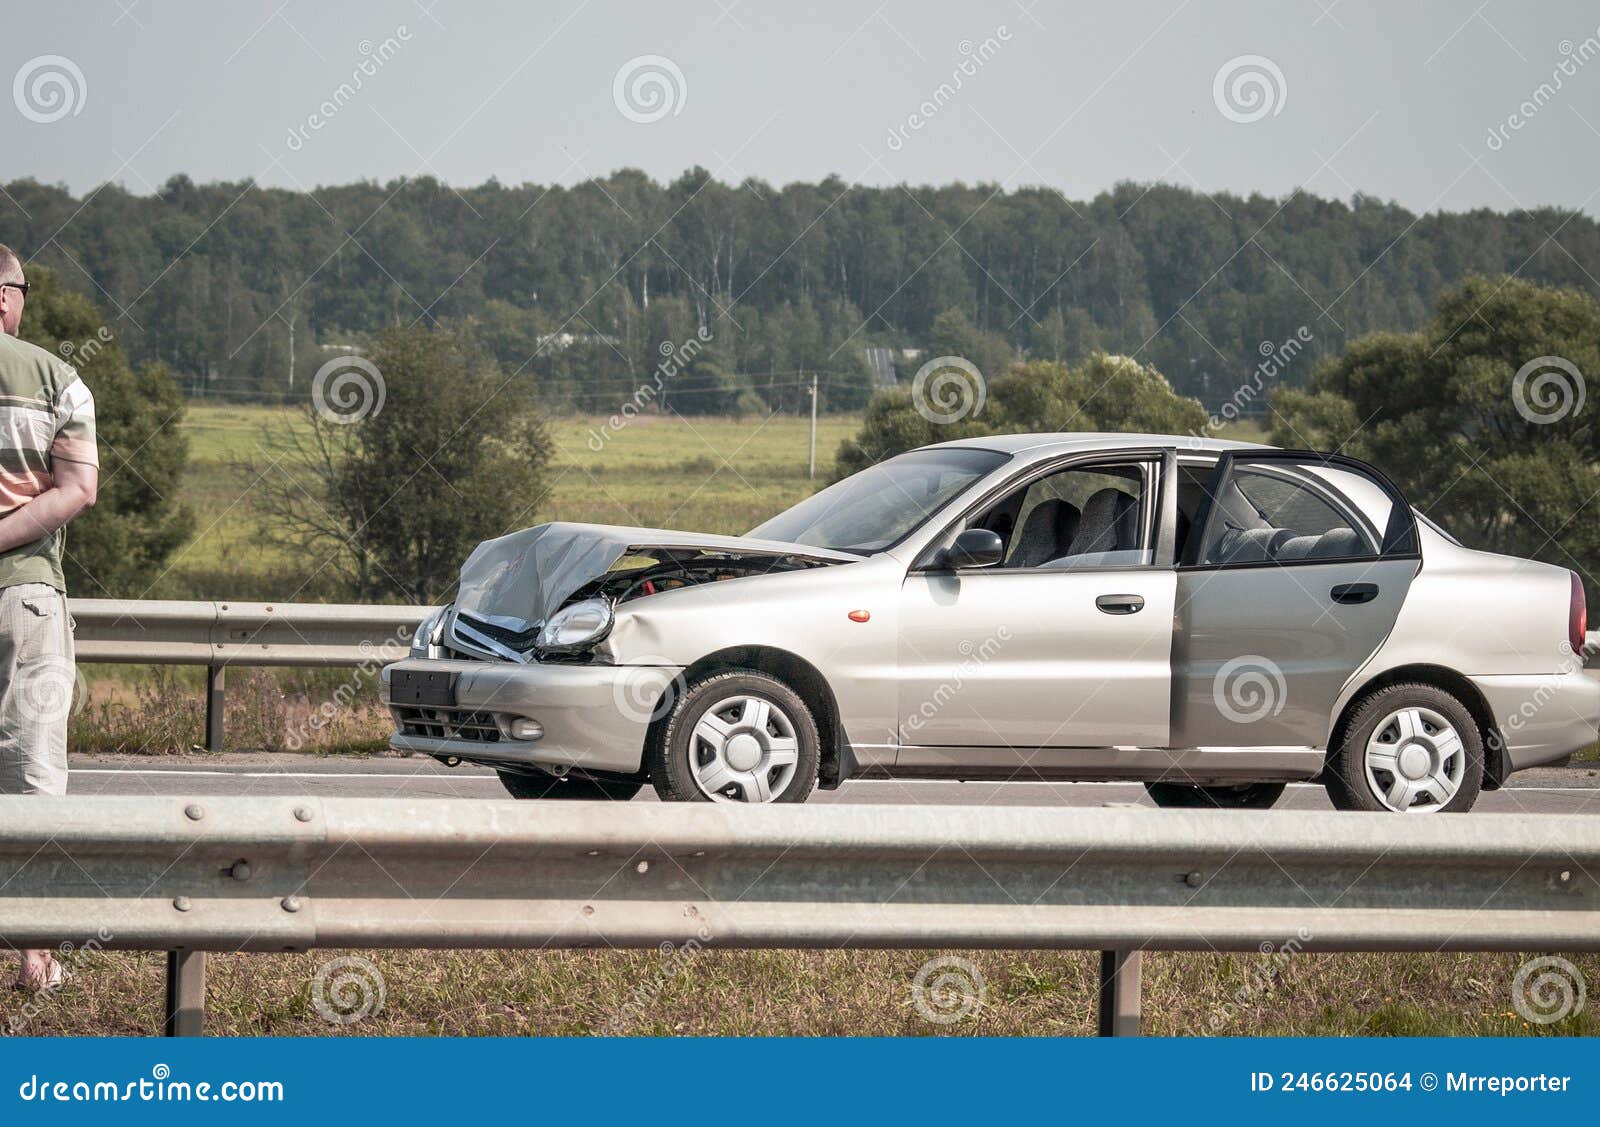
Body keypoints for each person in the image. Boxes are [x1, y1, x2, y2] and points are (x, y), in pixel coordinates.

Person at [0, 246, 98, 990]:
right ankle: (34, 957)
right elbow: (77, 491)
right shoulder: (60, 379)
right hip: (26, 594)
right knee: (34, 769)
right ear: (14, 296)